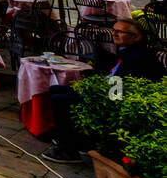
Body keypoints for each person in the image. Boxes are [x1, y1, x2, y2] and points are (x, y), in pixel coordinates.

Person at [42, 17, 165, 163]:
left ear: (136, 37)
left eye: (120, 32)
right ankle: (76, 140)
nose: (114, 34)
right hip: (108, 93)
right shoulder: (127, 51)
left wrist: (94, 91)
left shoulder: (138, 56)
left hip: (118, 102)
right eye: (114, 30)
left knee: (61, 100)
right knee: (56, 90)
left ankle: (68, 151)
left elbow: (119, 89)